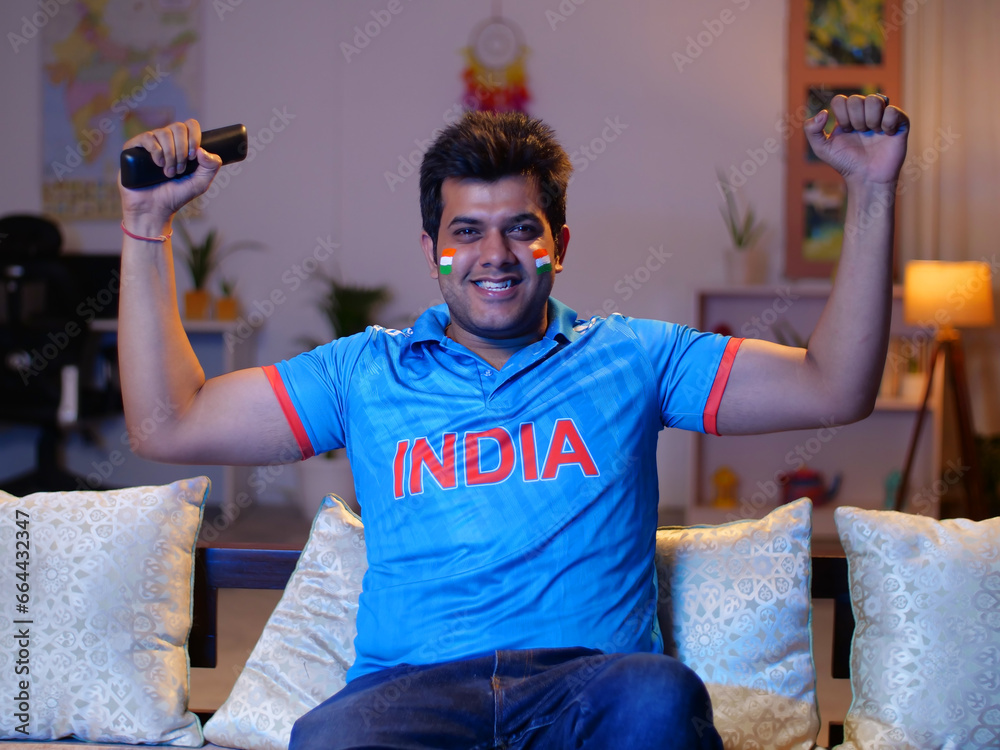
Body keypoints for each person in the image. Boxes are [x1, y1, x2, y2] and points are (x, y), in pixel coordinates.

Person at [117, 95, 908, 749]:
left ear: (557, 244)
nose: (494, 253)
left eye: (520, 229)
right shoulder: (364, 372)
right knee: (329, 739)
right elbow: (168, 423)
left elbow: (833, 388)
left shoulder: (636, 358)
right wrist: (146, 226)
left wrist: (871, 192)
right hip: (411, 699)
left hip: (590, 690)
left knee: (660, 699)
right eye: (467, 232)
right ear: (433, 249)